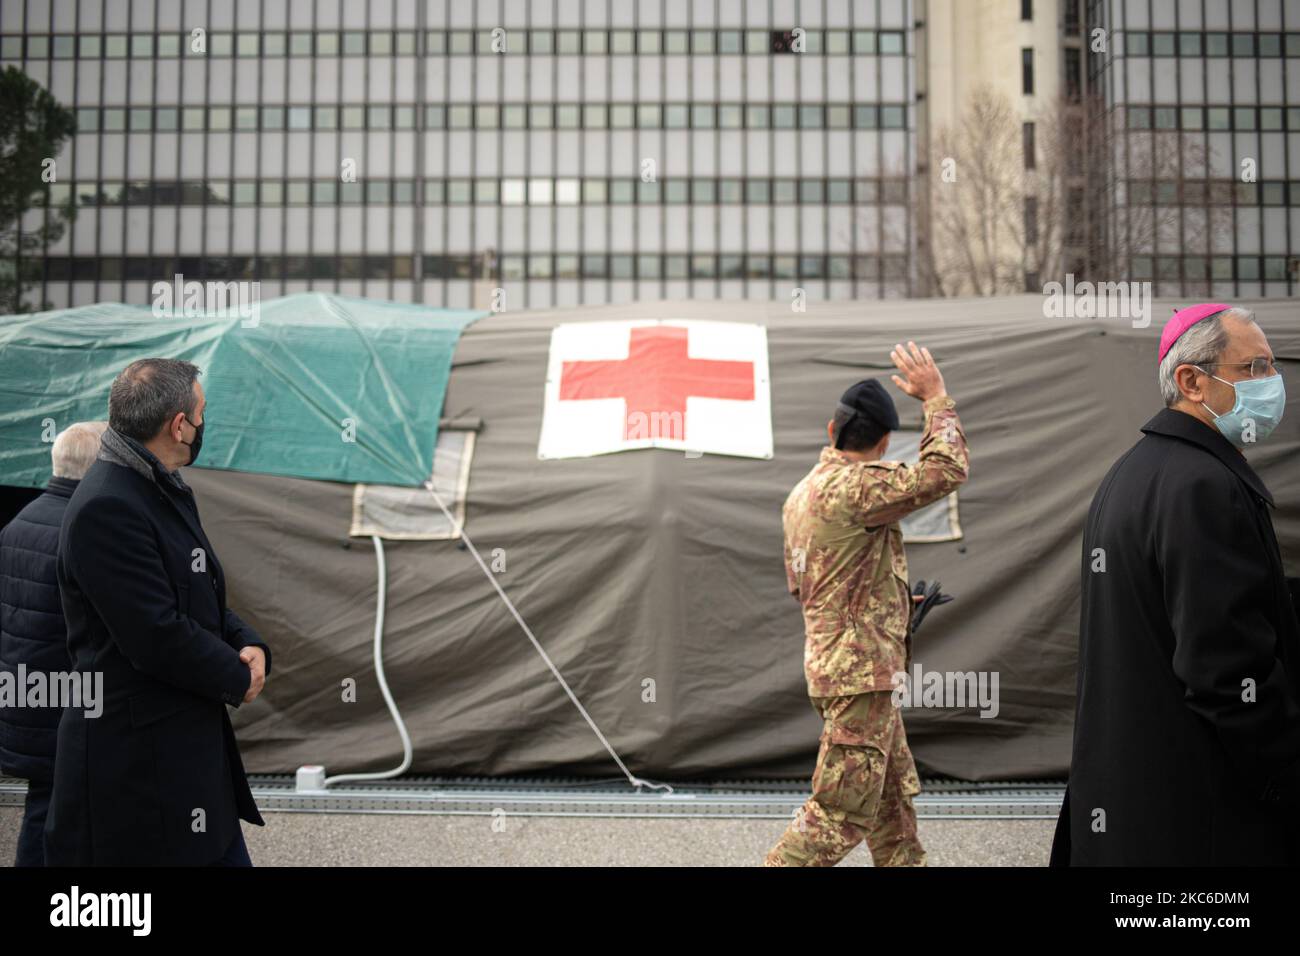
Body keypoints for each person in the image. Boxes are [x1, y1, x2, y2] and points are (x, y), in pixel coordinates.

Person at [1051, 304, 1300, 866]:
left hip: (1138, 804)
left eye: (1272, 368)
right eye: (1253, 368)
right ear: (1191, 380)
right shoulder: (1204, 485)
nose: (1272, 385)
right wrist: (1287, 780)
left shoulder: (1135, 472)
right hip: (1200, 822)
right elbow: (1227, 676)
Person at [44, 358, 272, 866]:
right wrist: (236, 676)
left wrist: (247, 642)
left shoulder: (156, 485)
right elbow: (154, 634)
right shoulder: (109, 504)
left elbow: (197, 596)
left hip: (181, 754)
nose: (203, 424)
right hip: (138, 763)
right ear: (178, 425)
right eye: (202, 413)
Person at [764, 342, 969, 866]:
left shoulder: (801, 495)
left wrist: (892, 604)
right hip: (861, 678)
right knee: (839, 812)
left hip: (837, 669)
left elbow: (814, 586)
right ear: (882, 443)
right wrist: (936, 397)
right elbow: (945, 472)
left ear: (830, 432)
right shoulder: (860, 485)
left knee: (889, 801)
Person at [0, 422, 107, 866]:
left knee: (42, 806)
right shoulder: (82, 529)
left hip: (24, 692)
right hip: (66, 702)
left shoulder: (20, 521)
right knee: (62, 817)